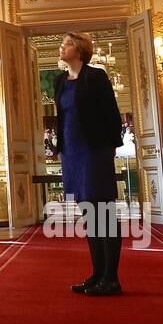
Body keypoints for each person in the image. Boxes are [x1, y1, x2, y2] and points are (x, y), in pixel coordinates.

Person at [53, 32, 125, 296]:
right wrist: (60, 150)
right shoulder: (60, 80)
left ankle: (112, 278)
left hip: (95, 152)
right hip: (71, 154)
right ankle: (97, 274)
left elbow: (111, 115)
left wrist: (110, 148)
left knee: (104, 213)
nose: (62, 46)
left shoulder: (96, 76)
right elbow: (61, 119)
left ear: (81, 49)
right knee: (89, 215)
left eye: (68, 43)